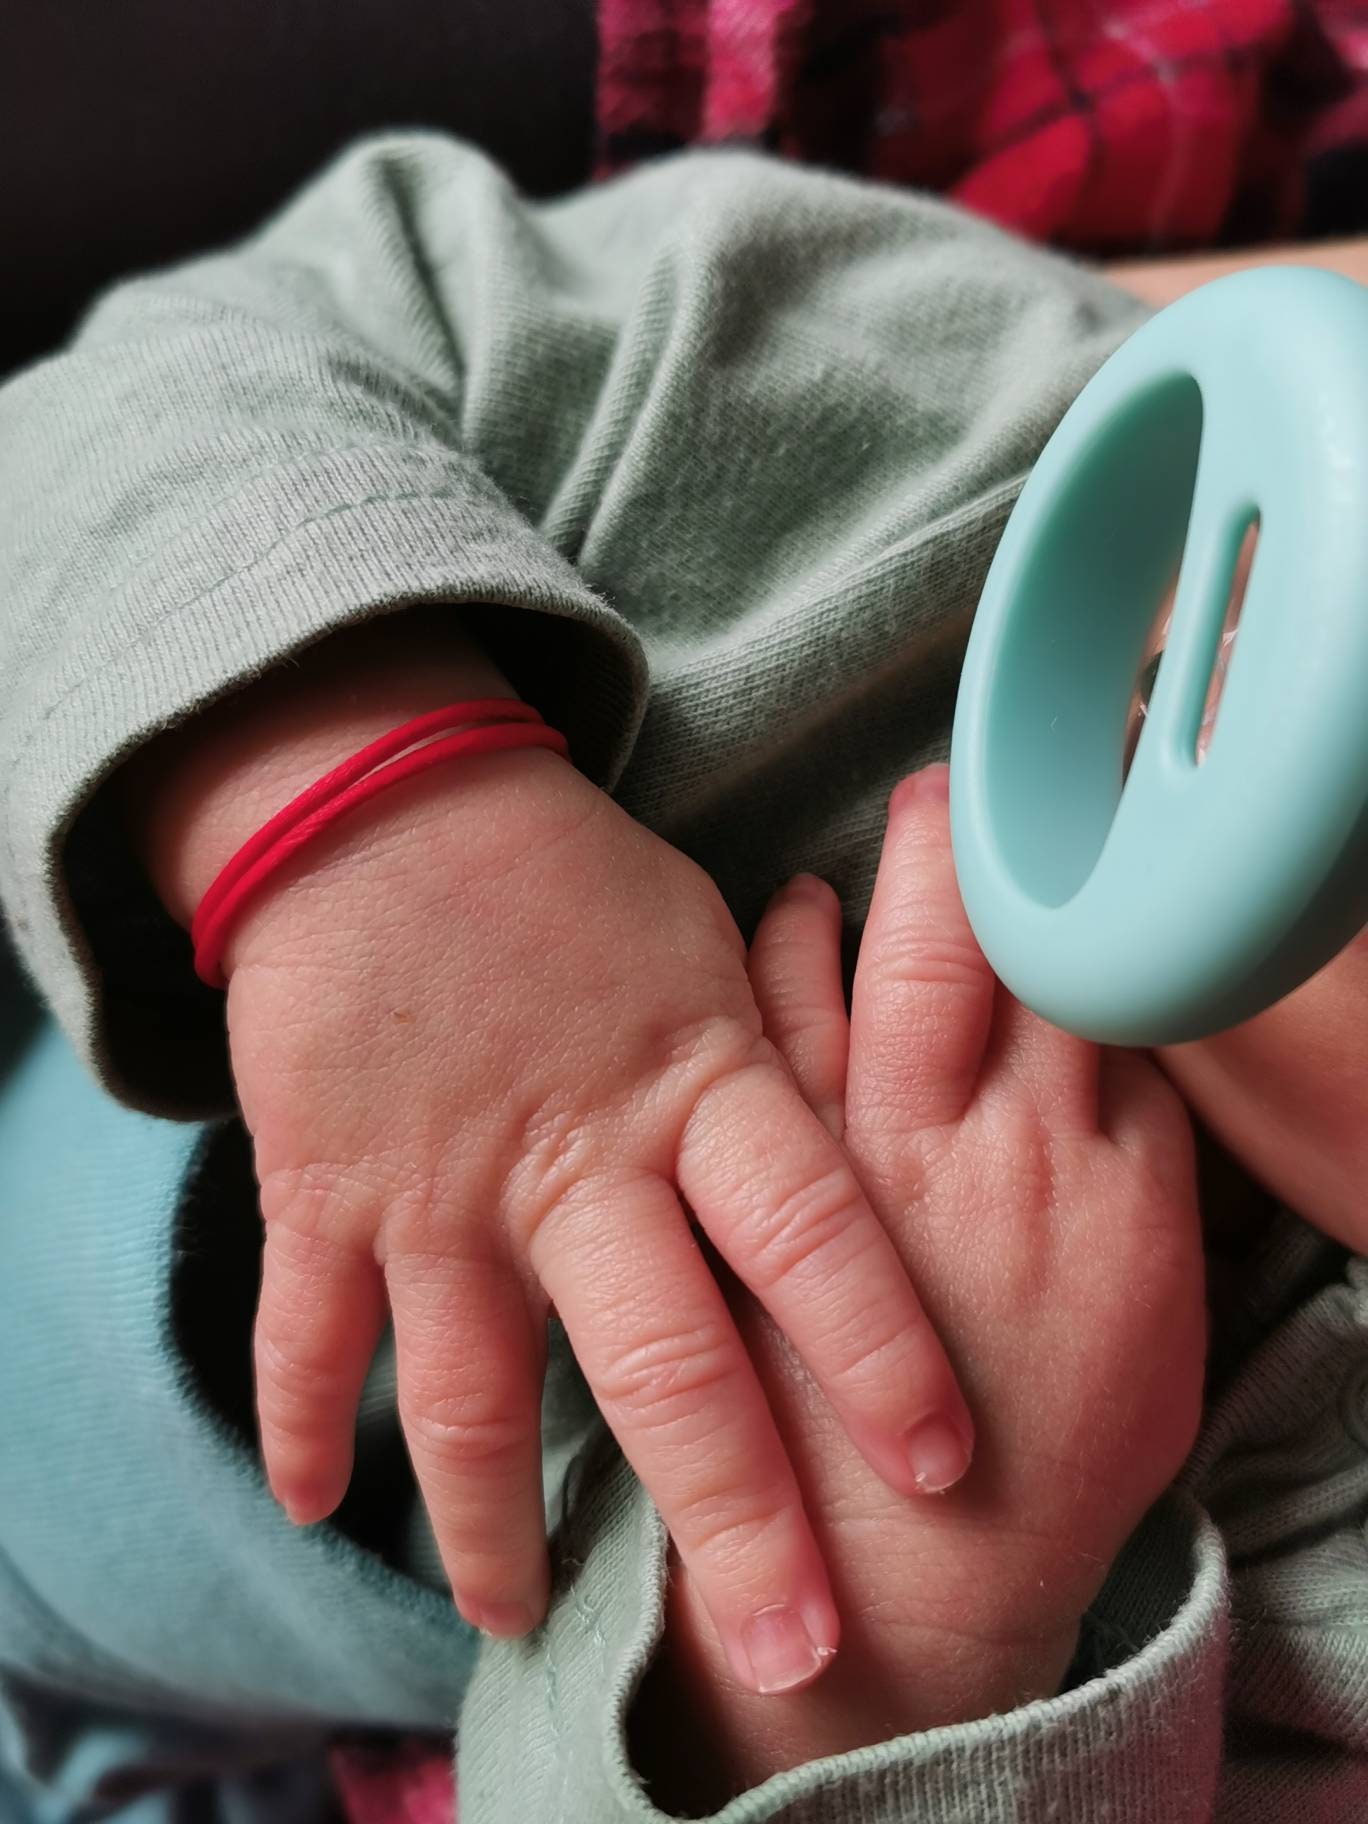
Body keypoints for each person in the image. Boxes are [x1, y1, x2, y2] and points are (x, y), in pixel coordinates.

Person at [1, 129, 1366, 1822]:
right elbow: (130, 393)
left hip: (96, 1624)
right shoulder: (896, 378)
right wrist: (365, 796)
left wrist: (924, 1619)